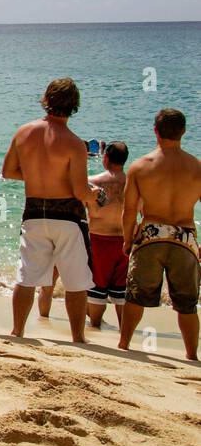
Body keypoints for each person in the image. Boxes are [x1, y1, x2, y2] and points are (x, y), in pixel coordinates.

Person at [2, 78, 100, 343]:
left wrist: (36, 176)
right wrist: (93, 195)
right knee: (75, 281)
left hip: (34, 213)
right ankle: (78, 337)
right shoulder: (74, 143)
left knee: (27, 277)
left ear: (46, 99)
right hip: (68, 217)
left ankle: (17, 331)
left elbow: (8, 171)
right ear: (74, 105)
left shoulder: (24, 132)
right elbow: (80, 192)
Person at [118, 109, 201, 360]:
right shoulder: (197, 167)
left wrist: (127, 240)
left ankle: (124, 344)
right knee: (187, 303)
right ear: (184, 132)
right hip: (184, 237)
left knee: (135, 296)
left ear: (155, 130)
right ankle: (190, 355)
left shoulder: (140, 166)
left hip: (151, 235)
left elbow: (129, 210)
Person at [87, 141, 130, 329]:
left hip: (98, 239)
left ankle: (95, 326)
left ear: (105, 158)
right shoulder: (134, 184)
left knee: (97, 288)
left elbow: (79, 213)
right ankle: (124, 332)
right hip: (124, 241)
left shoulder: (92, 182)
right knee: (121, 291)